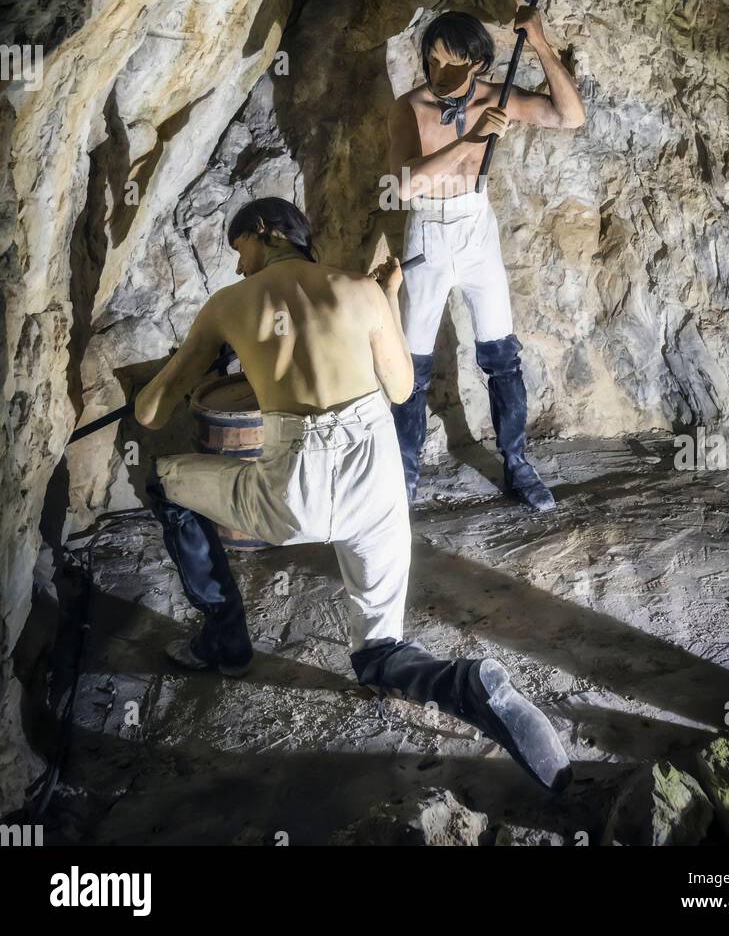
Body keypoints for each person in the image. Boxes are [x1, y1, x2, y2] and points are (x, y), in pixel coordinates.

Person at [135, 197, 571, 792]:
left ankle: (224, 638)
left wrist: (193, 357)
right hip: (377, 479)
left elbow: (151, 412)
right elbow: (400, 388)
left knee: (162, 480)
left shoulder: (229, 304)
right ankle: (464, 685)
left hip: (291, 491)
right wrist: (386, 296)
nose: (240, 266)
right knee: (379, 651)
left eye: (241, 249)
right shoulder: (360, 290)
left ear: (265, 231)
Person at [387, 5, 585, 511]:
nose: (440, 73)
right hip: (428, 231)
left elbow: (570, 117)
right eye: (433, 61)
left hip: (477, 228)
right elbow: (404, 185)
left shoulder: (497, 97)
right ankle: (404, 474)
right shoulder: (409, 107)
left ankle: (516, 463)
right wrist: (471, 140)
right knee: (412, 362)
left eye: (453, 63)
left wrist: (539, 42)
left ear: (477, 63)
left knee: (501, 354)